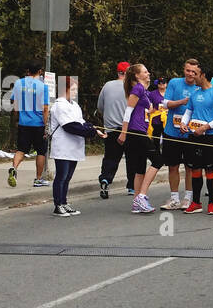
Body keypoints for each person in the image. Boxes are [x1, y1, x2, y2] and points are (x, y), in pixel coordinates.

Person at [48, 78, 108, 216]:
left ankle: (64, 202)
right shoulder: (59, 105)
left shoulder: (74, 105)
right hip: (63, 146)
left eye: (76, 89)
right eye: (73, 89)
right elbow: (70, 126)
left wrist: (94, 129)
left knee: (68, 177)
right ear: (65, 89)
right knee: (61, 176)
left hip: (74, 146)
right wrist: (91, 131)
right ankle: (58, 205)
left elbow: (81, 122)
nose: (75, 92)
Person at [180, 63, 213, 215]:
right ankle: (195, 202)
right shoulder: (194, 93)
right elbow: (189, 111)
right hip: (194, 136)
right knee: (194, 169)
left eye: (196, 73)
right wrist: (183, 123)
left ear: (204, 76)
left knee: (210, 170)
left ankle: (212, 203)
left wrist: (205, 127)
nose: (193, 76)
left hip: (210, 137)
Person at [118, 63, 163, 213]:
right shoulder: (137, 88)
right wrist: (123, 132)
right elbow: (128, 111)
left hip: (141, 130)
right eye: (145, 71)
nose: (148, 73)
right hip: (136, 131)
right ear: (137, 75)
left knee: (140, 167)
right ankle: (142, 196)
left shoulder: (145, 91)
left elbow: (149, 108)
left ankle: (137, 202)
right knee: (158, 160)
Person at [160, 61, 197, 209]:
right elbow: (165, 104)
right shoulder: (175, 83)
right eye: (188, 70)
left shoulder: (200, 86)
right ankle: (174, 198)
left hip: (190, 134)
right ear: (184, 70)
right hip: (172, 132)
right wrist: (183, 102)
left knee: (190, 167)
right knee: (173, 166)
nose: (190, 74)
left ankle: (187, 198)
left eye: (194, 72)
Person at [7, 63, 51, 189]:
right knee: (41, 151)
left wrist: (17, 118)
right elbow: (45, 108)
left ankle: (14, 168)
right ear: (40, 71)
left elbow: (14, 103)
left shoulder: (19, 83)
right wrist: (46, 126)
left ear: (28, 71)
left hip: (24, 123)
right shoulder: (43, 87)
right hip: (38, 124)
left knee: (21, 150)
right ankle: (38, 179)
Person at [97, 61, 130, 198]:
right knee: (131, 158)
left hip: (110, 129)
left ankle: (105, 179)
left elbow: (100, 106)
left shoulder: (107, 86)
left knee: (110, 157)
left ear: (118, 72)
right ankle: (132, 186)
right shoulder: (132, 87)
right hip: (128, 129)